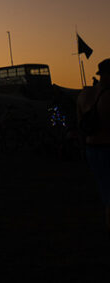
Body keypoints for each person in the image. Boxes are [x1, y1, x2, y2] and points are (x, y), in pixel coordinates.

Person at [77, 58, 110, 234]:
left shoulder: (84, 95)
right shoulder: (108, 96)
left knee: (105, 189)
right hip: (107, 147)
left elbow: (79, 125)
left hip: (92, 149)